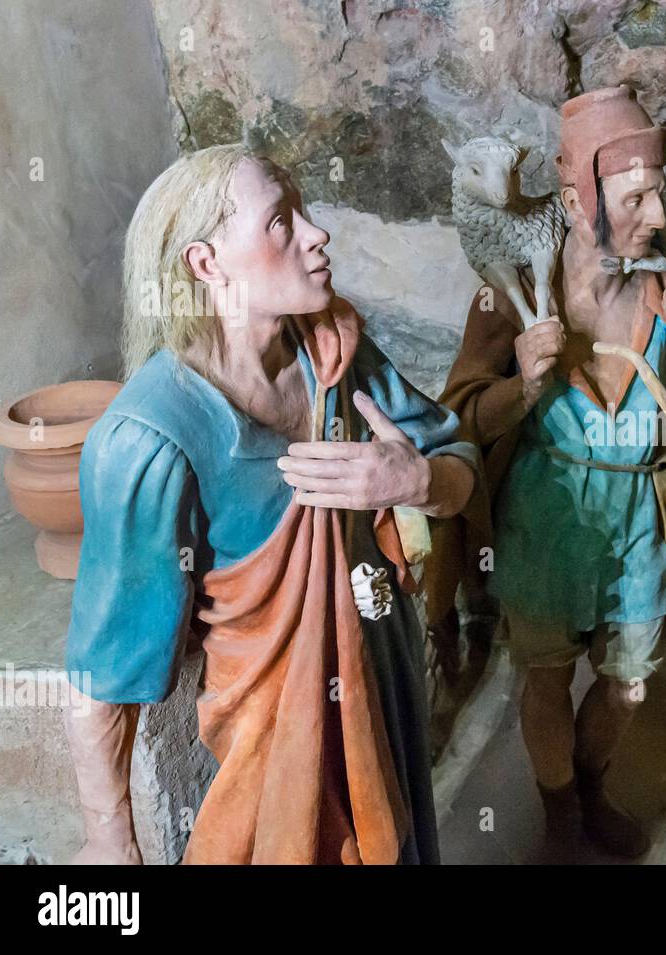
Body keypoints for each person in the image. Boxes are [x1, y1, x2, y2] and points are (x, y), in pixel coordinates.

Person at [63, 144, 478, 864]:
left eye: (304, 211)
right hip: (274, 740)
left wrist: (416, 483)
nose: (317, 234)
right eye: (282, 221)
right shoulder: (151, 440)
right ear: (205, 264)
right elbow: (104, 678)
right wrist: (111, 841)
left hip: (384, 673)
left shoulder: (336, 356)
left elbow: (461, 465)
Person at [429, 85, 666, 857]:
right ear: (575, 197)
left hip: (638, 519)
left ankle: (590, 783)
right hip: (544, 516)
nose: (657, 218)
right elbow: (456, 422)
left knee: (628, 682)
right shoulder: (512, 295)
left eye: (658, 195)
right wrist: (520, 387)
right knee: (543, 677)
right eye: (636, 199)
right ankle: (557, 802)